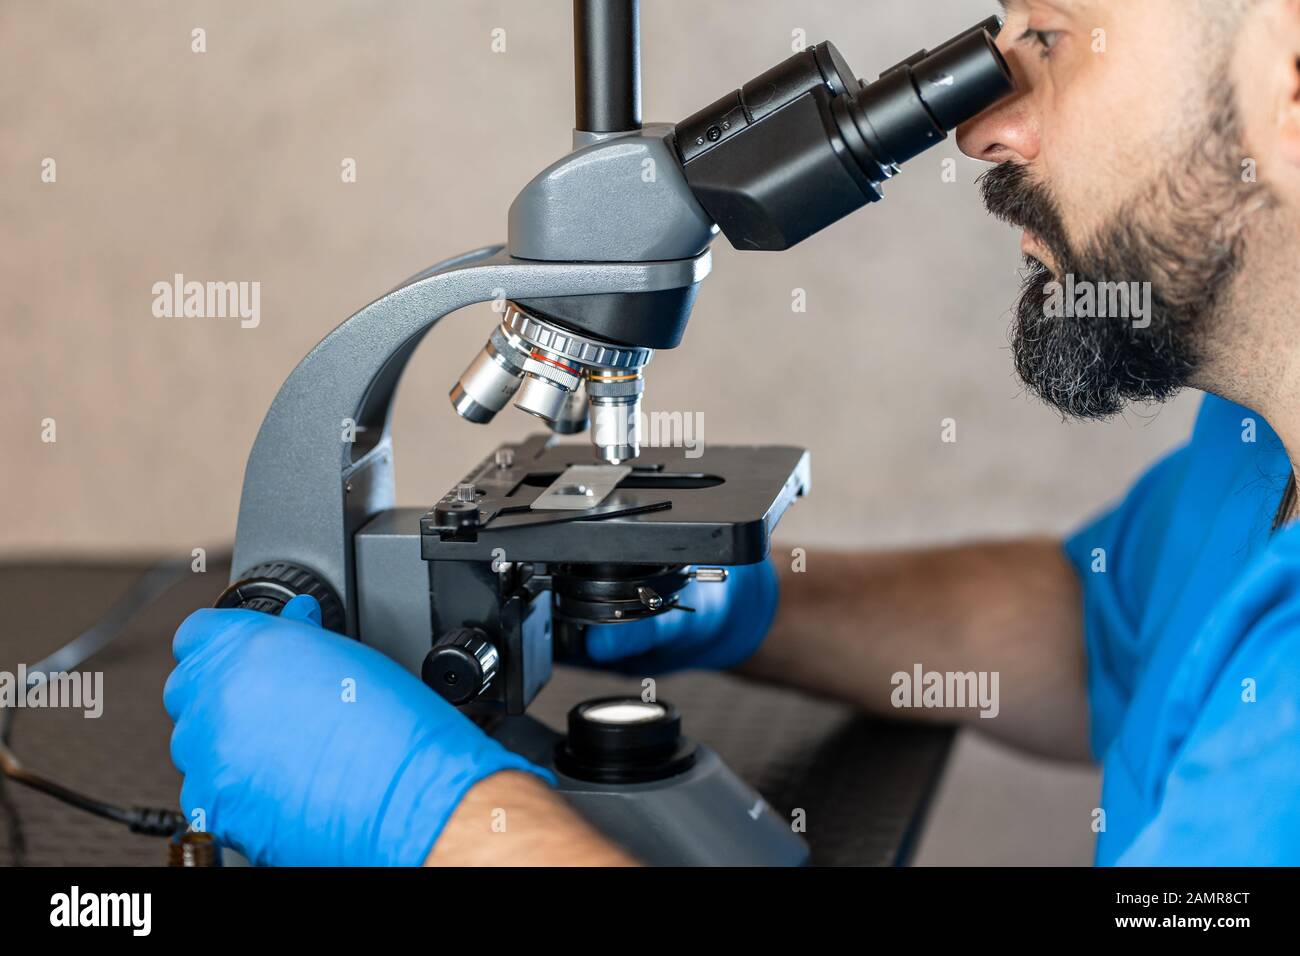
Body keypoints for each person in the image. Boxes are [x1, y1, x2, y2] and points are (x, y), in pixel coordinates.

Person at [165, 0, 1300, 866]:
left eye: (1051, 36)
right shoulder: (1254, 447)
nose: (982, 130)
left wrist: (445, 821)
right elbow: (1104, 632)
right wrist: (732, 604)